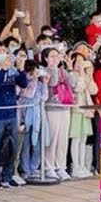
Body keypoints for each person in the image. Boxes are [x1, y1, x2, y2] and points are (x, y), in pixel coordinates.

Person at [0, 41, 28, 188]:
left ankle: (8, 176)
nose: (4, 53)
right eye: (0, 51)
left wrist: (21, 69)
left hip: (12, 112)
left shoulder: (11, 69)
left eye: (5, 50)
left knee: (13, 146)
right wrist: (3, 70)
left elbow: (23, 84)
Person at [42, 46, 74, 182]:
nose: (55, 58)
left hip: (64, 107)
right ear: (46, 59)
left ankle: (61, 166)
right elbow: (53, 82)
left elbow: (72, 84)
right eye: (52, 56)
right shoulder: (44, 71)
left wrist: (70, 68)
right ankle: (49, 166)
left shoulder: (63, 71)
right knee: (52, 138)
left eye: (57, 56)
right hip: (52, 108)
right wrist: (53, 68)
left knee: (63, 138)